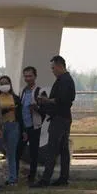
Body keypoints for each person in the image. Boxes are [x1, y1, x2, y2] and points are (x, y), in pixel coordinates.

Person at [36, 55, 76, 186]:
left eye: (53, 68)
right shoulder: (65, 79)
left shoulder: (64, 80)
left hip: (59, 118)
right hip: (64, 117)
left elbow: (62, 100)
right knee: (63, 150)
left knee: (52, 149)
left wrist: (46, 100)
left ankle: (45, 179)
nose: (52, 71)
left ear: (59, 66)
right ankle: (63, 178)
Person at [18, 66, 44, 184]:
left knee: (34, 152)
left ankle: (32, 177)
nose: (28, 78)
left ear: (35, 76)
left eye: (30, 76)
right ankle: (15, 175)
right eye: (26, 76)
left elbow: (45, 110)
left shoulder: (40, 91)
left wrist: (36, 108)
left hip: (34, 126)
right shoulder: (23, 91)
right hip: (24, 126)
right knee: (18, 150)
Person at [0, 75, 20, 186]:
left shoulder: (15, 97)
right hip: (0, 127)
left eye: (6, 82)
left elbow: (19, 114)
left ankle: (12, 179)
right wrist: (6, 110)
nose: (4, 85)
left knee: (12, 154)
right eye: (1, 83)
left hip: (13, 126)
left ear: (10, 84)